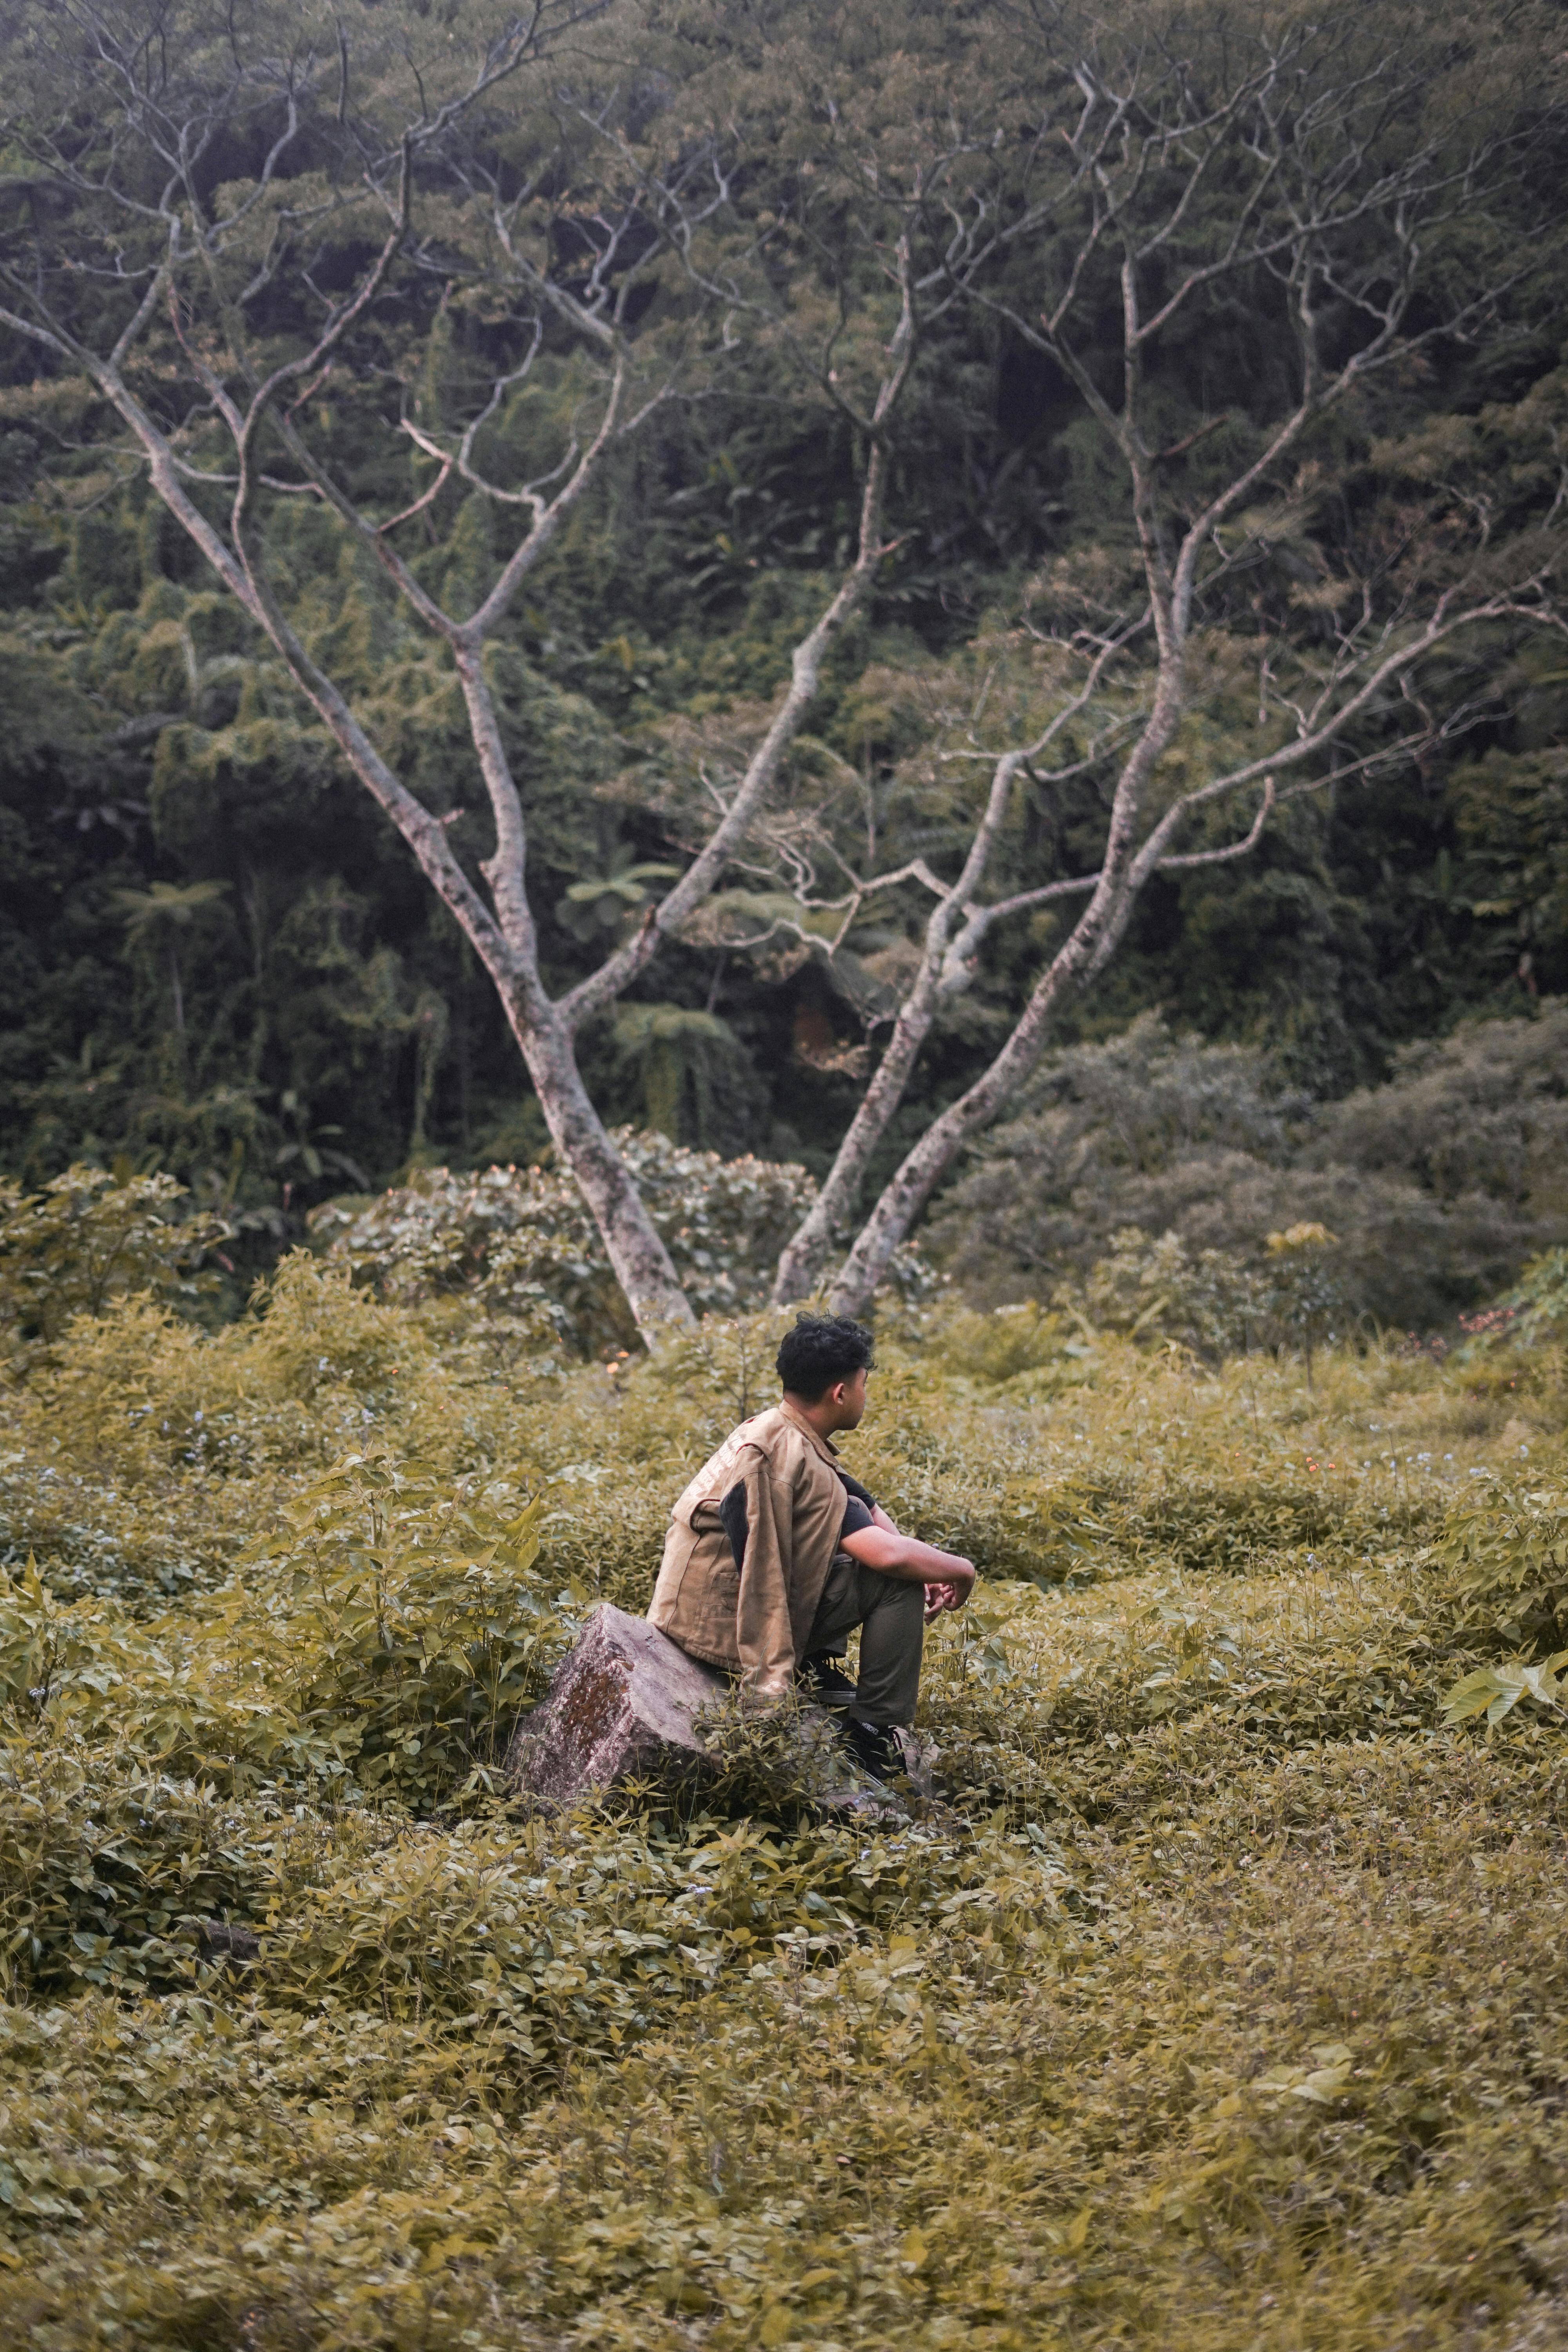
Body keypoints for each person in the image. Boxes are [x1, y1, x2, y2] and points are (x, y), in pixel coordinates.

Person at [647, 1312, 975, 1780]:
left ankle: (819, 1668)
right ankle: (873, 1729)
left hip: (695, 1605)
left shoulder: (776, 1428)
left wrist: (915, 1552)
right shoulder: (782, 1456)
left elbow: (857, 1500)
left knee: (867, 1556)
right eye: (864, 1385)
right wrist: (960, 1569)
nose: (865, 1395)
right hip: (713, 1627)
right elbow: (886, 1556)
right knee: (896, 1582)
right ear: (840, 1393)